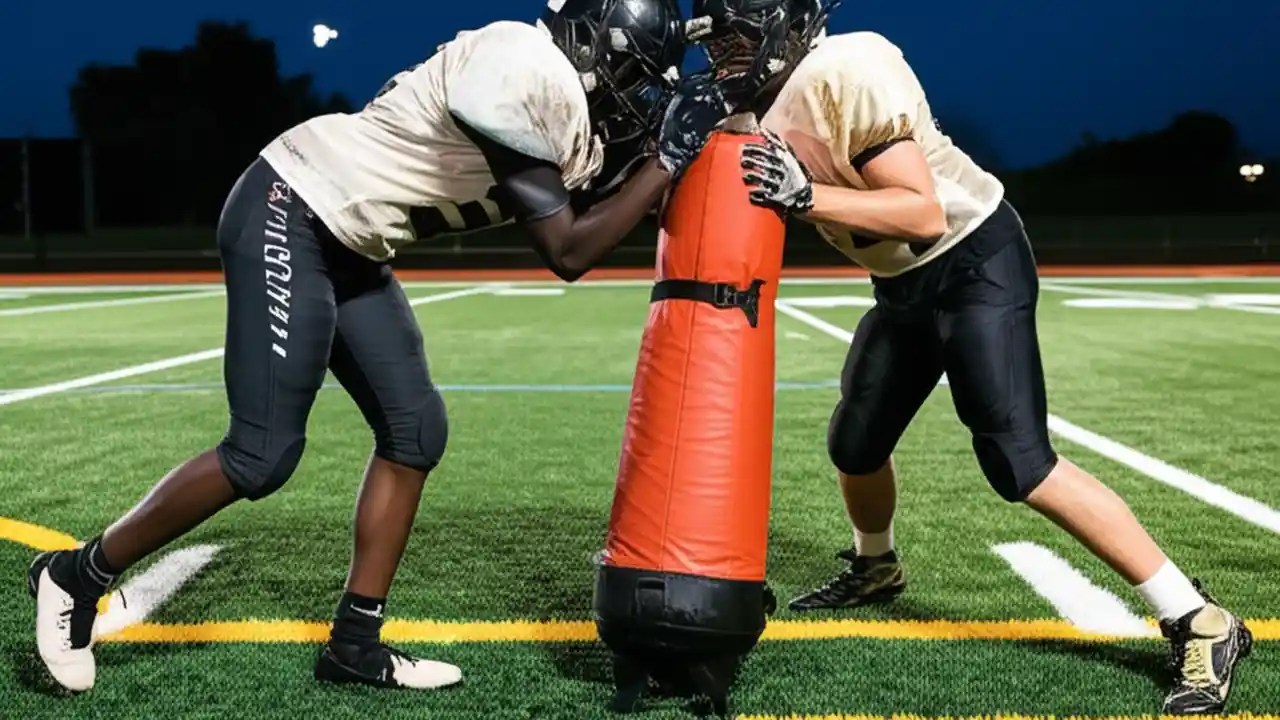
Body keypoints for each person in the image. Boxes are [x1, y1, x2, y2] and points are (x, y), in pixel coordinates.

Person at [26, 0, 724, 694]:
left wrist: (717, 116)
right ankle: (74, 577)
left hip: (351, 241)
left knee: (415, 431)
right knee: (261, 454)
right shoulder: (522, 64)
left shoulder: (568, 112)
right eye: (633, 74)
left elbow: (622, 197)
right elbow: (569, 249)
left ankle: (355, 645)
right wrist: (665, 157)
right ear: (591, 43)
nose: (638, 95)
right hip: (292, 205)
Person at [689, 0, 1252, 713]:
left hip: (972, 262)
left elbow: (921, 214)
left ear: (785, 23)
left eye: (738, 34)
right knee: (855, 441)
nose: (727, 55)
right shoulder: (750, 106)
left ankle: (1199, 619)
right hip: (901, 283)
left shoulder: (842, 69)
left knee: (1019, 461)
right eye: (718, 40)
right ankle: (875, 565)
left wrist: (806, 197)